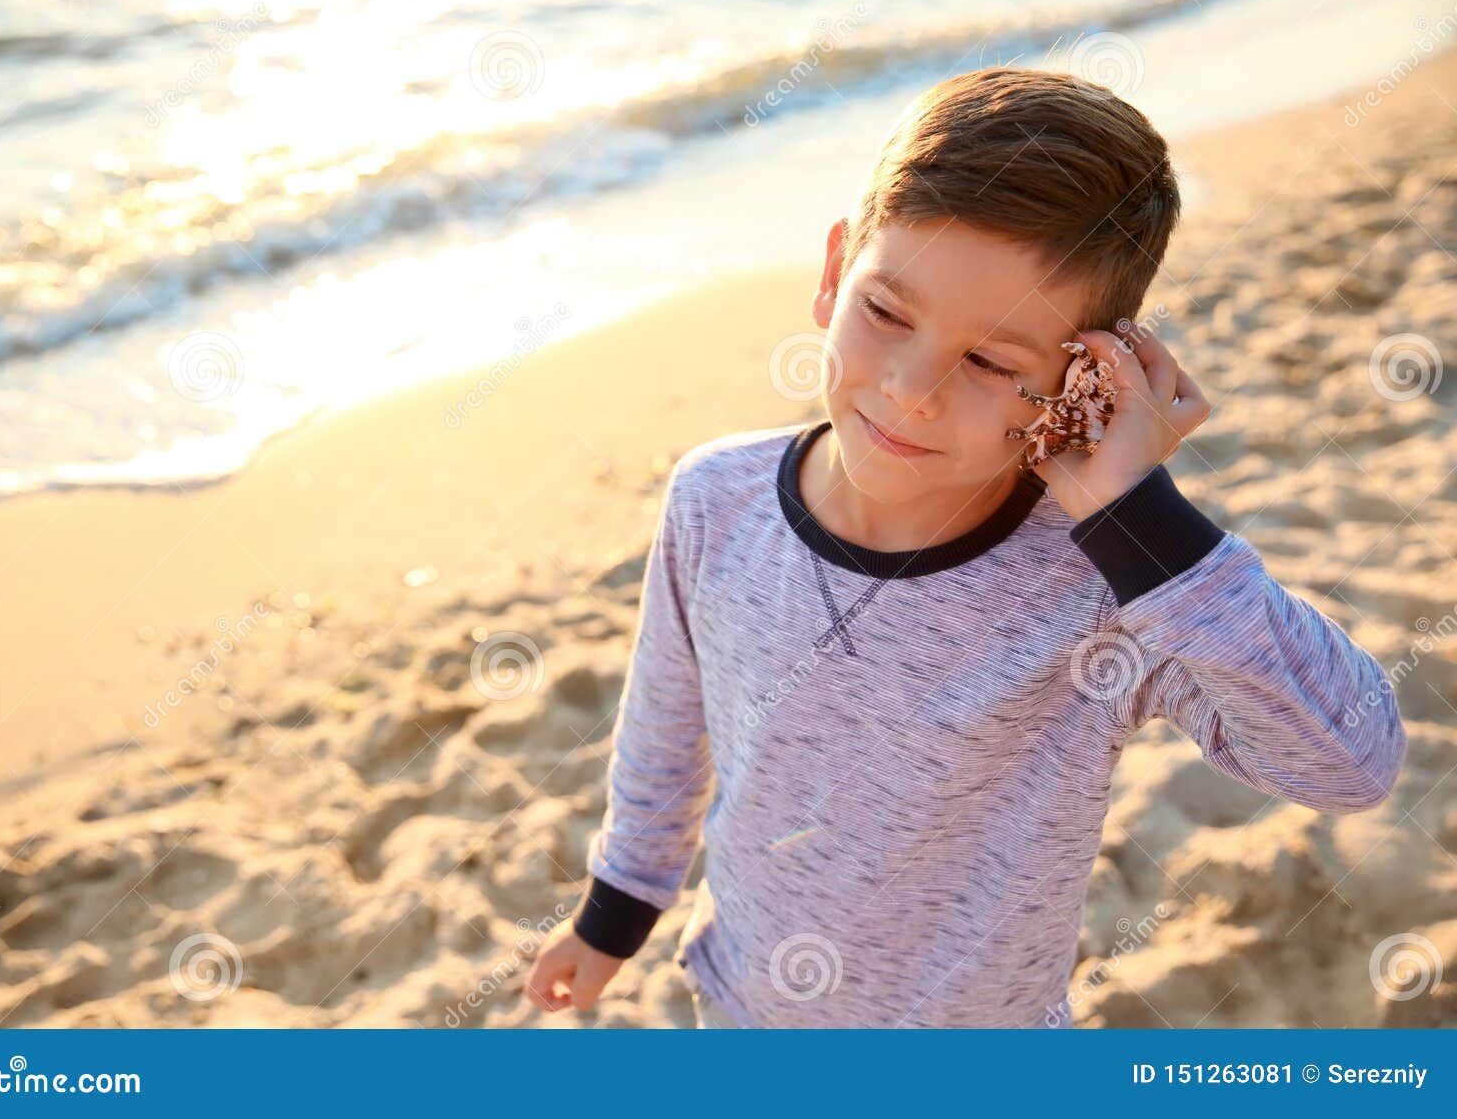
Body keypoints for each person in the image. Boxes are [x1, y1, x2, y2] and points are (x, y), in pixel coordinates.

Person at [522, 66, 1408, 1028]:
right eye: (887, 312)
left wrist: (1139, 516)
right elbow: (665, 727)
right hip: (744, 1011)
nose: (910, 385)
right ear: (834, 272)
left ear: (1089, 377)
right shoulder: (714, 502)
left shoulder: (1103, 585)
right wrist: (616, 912)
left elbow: (1349, 760)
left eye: (990, 360)